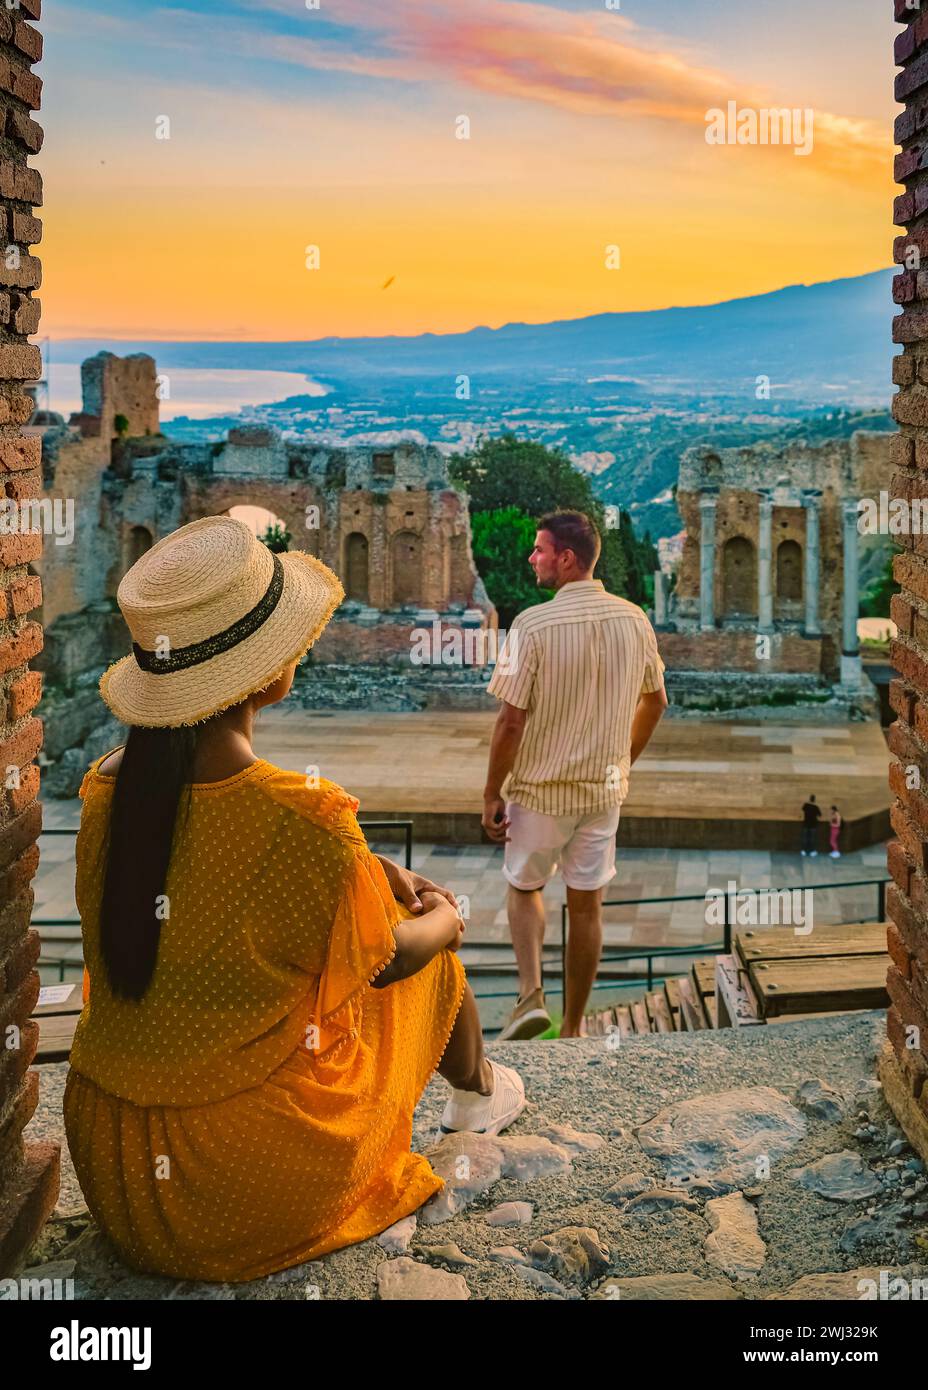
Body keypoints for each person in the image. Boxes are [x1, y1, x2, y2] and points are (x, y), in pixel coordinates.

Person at [63, 515, 525, 1284]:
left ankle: (476, 1090)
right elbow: (387, 961)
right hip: (239, 1183)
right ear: (265, 669)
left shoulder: (108, 793)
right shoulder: (301, 816)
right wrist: (448, 920)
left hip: (117, 1168)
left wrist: (365, 866)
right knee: (424, 949)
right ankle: (479, 1097)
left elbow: (203, 870)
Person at [482, 510, 668, 1040]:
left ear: (566, 559)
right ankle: (575, 1028)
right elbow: (656, 702)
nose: (531, 558)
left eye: (539, 549)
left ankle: (529, 996)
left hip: (540, 790)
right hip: (603, 791)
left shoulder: (531, 625)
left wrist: (492, 792)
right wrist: (623, 759)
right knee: (587, 905)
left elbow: (510, 720)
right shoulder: (635, 618)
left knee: (524, 885)